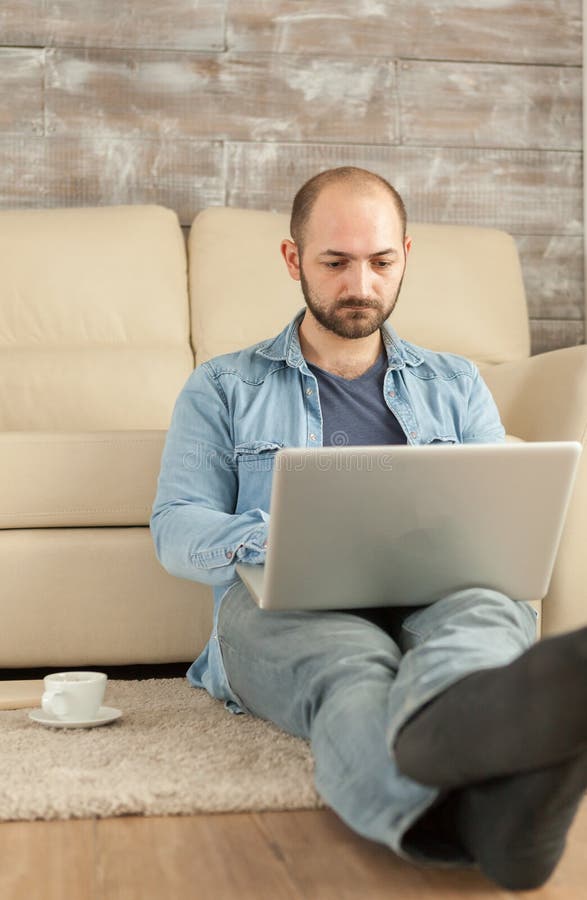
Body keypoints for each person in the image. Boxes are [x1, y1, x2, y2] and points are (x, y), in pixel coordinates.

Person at [150, 167, 587, 890]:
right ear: (293, 261)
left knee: (483, 616)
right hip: (287, 606)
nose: (360, 283)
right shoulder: (223, 385)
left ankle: (455, 742)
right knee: (348, 669)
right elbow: (175, 527)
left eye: (381, 262)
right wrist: (283, 536)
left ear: (405, 257)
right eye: (335, 262)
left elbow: (497, 507)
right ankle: (468, 812)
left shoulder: (455, 384)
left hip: (443, 593)